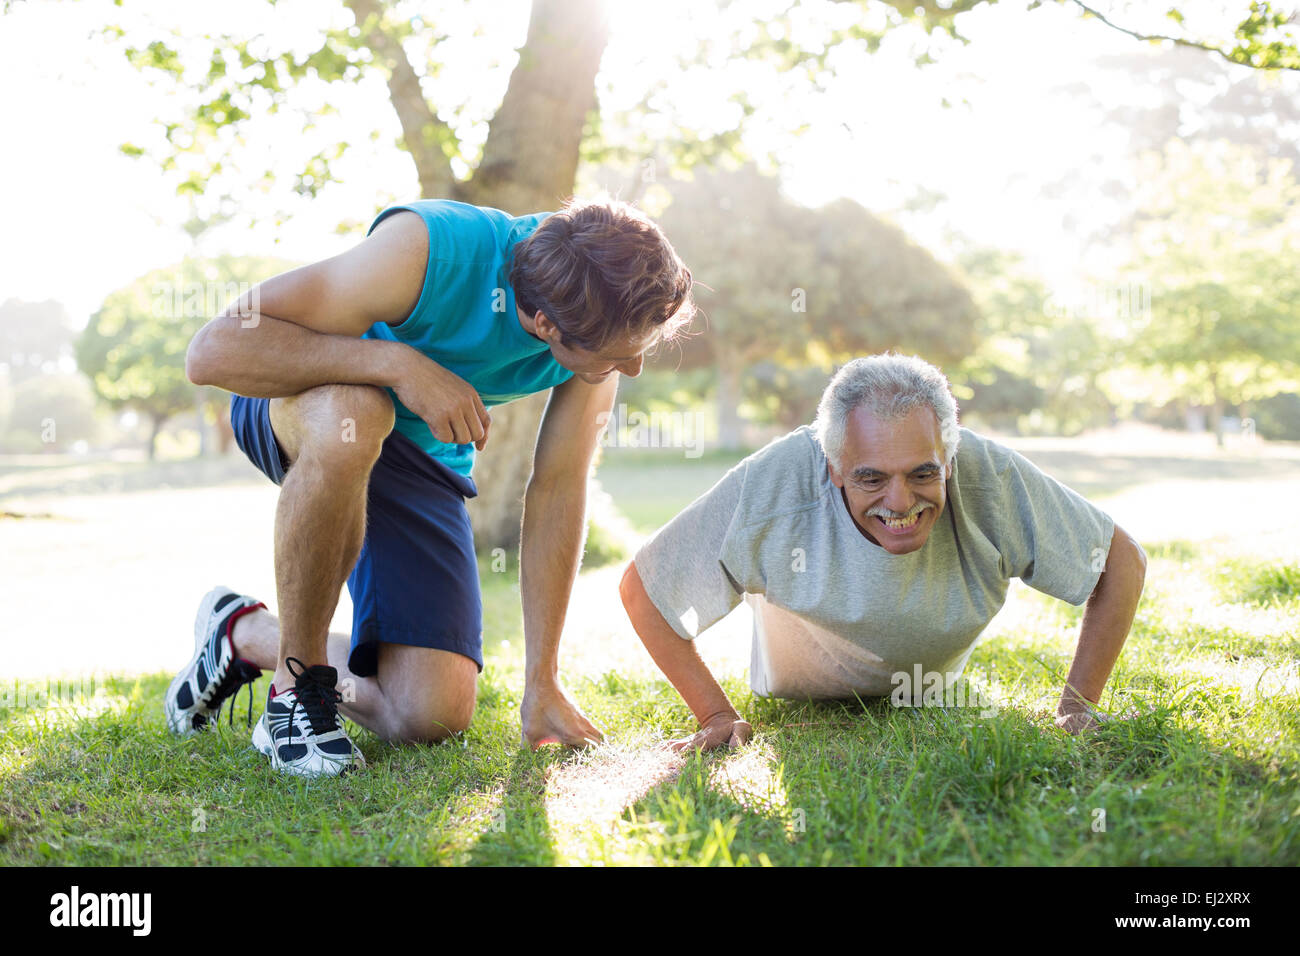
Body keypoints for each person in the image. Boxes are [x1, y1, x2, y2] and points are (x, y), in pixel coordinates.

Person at [165, 197, 694, 776]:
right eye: (619, 356)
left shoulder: (598, 312)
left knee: (427, 715)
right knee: (360, 416)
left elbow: (559, 488)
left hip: (419, 456)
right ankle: (295, 693)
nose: (634, 368)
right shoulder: (428, 251)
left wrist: (541, 680)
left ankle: (241, 632)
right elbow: (213, 351)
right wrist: (396, 364)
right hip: (303, 398)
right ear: (545, 324)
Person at [619, 353, 1147, 751]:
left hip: (927, 692)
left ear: (950, 456)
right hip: (801, 692)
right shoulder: (774, 486)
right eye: (870, 478)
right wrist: (714, 714)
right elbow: (645, 589)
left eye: (923, 473)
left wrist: (1077, 706)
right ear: (832, 468)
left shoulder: (990, 476)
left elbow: (1120, 560)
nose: (901, 503)